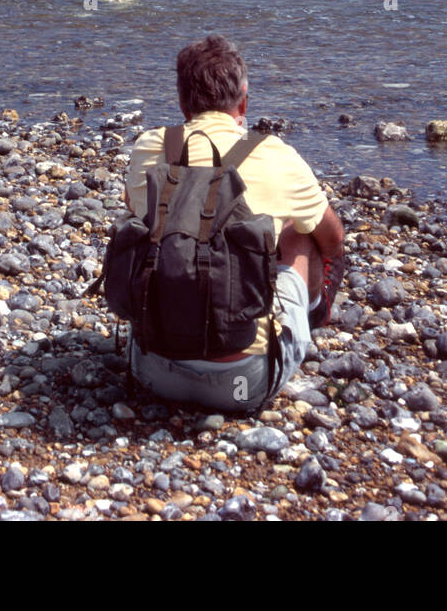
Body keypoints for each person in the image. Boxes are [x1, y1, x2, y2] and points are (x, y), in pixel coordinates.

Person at [122, 34, 345, 412]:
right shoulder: (277, 155)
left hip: (152, 372)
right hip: (244, 384)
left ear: (181, 102)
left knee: (151, 224)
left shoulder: (149, 146)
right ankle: (309, 319)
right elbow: (333, 238)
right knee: (300, 232)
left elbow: (133, 208)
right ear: (244, 100)